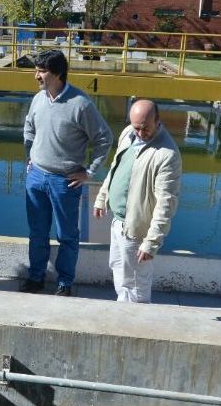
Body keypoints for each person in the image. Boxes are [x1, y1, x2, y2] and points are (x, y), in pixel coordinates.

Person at [21, 50, 113, 296]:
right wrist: (29, 154)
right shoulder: (38, 99)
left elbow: (104, 138)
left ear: (58, 73)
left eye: (42, 71)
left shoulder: (80, 104)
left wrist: (89, 171)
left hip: (65, 181)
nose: (36, 76)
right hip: (36, 177)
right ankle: (36, 277)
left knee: (67, 235)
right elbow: (29, 127)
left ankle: (65, 282)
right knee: (37, 233)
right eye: (37, 70)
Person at [93, 99, 182, 303]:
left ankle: (135, 319)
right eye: (136, 127)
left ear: (158, 120)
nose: (140, 133)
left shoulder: (167, 155)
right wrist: (102, 197)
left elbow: (166, 204)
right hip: (118, 222)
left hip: (137, 232)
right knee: (119, 272)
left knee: (135, 286)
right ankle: (124, 314)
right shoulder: (128, 134)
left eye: (145, 128)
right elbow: (115, 168)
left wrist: (151, 243)